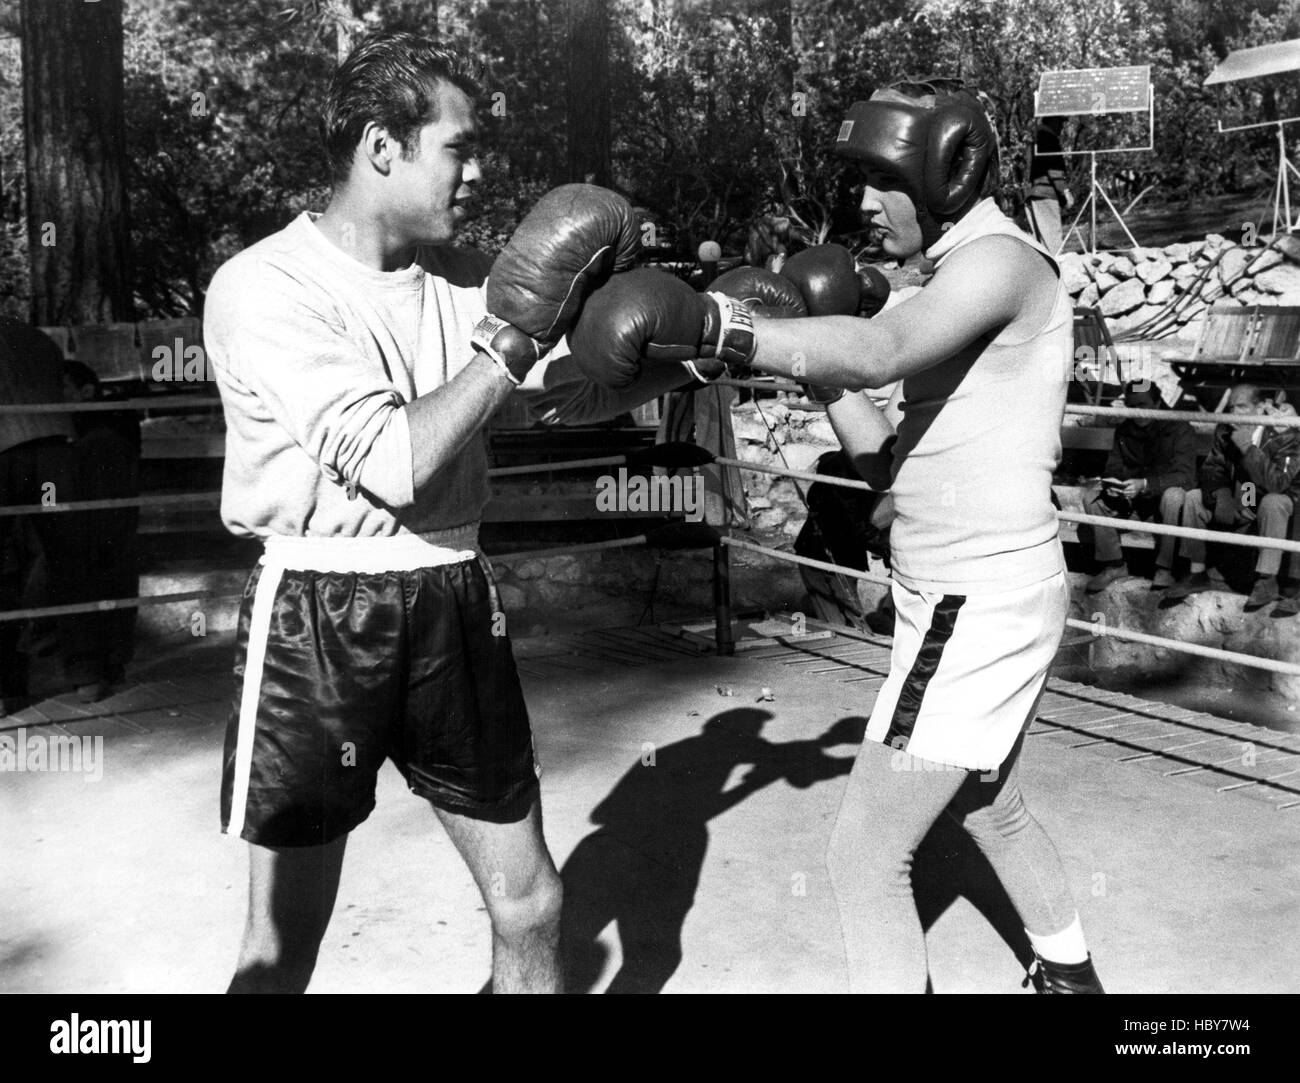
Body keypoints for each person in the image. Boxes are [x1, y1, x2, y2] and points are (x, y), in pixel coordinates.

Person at [567, 78, 1105, 993]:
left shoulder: (1001, 266)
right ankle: (1070, 978)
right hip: (969, 590)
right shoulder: (951, 278)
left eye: (879, 179)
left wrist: (721, 323)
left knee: (864, 856)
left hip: (974, 603)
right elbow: (889, 466)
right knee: (986, 802)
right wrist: (810, 370)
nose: (860, 202)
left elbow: (881, 352)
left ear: (946, 172)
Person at [206, 32, 690, 994]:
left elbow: (567, 392)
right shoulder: (263, 286)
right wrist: (511, 339)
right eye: (458, 148)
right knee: (283, 944)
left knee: (534, 904)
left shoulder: (466, 279)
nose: (475, 173)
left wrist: (694, 348)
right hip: (321, 613)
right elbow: (396, 458)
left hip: (457, 595)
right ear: (382, 147)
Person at [1167, 383, 1300, 614]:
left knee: (1272, 502)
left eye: (1242, 407)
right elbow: (1212, 468)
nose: (1235, 413)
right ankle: (1196, 572)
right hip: (1243, 495)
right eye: (1231, 407)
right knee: (1193, 498)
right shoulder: (1226, 429)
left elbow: (1277, 483)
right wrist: (1220, 493)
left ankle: (1267, 579)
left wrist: (1247, 446)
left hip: (1280, 501)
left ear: (1261, 408)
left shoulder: (1283, 432)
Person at [0, 319, 77, 716]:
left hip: (4, 453)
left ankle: (8, 685)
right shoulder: (35, 336)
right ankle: (86, 671)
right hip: (54, 449)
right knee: (63, 553)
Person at [60, 361, 141, 701]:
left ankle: (99, 669)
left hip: (100, 526)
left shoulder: (99, 435)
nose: (56, 396)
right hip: (109, 525)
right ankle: (109, 666)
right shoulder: (107, 426)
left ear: (86, 391)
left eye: (62, 388)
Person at [1084, 380, 1197, 593]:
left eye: (1143, 405)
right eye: (1132, 406)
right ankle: (1114, 565)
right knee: (1091, 496)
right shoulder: (1125, 431)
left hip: (1163, 507)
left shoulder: (1179, 429)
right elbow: (1113, 467)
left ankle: (1165, 568)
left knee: (1174, 496)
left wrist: (1145, 484)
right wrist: (1114, 484)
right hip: (1130, 502)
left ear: (1157, 403)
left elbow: (1186, 476)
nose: (1138, 412)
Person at [1025, 115, 1073, 254]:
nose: (1061, 127)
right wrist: (1065, 191)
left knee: (1041, 247)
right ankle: (1059, 274)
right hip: (1045, 194)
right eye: (1060, 122)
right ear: (1053, 121)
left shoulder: (1035, 138)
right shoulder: (1047, 137)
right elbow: (1054, 169)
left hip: (1033, 193)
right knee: (1053, 247)